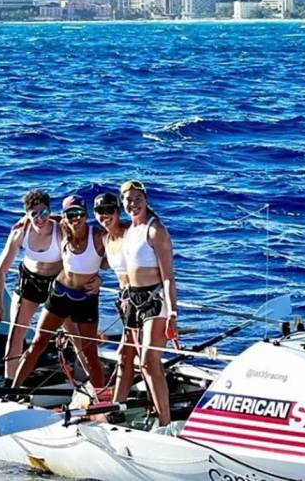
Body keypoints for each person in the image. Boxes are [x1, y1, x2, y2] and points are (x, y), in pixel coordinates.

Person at [12, 194, 106, 393]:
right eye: (71, 214)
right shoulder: (62, 228)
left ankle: (103, 400)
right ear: (65, 216)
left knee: (90, 352)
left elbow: (114, 258)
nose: (76, 218)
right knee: (38, 343)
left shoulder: (97, 235)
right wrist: (26, 219)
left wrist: (100, 279)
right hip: (60, 293)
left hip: (86, 298)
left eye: (80, 213)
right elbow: (46, 218)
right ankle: (12, 391)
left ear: (86, 214)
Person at [0, 189, 79, 385]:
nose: (40, 219)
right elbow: (1, 270)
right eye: (34, 215)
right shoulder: (20, 233)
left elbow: (76, 257)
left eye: (44, 213)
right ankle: (9, 383)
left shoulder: (60, 230)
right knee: (16, 332)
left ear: (50, 212)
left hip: (56, 283)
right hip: (29, 283)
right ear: (27, 215)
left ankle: (86, 380)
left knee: (74, 332)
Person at [119, 179, 178, 426]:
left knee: (148, 360)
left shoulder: (156, 231)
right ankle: (153, 412)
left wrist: (173, 312)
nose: (133, 204)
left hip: (154, 301)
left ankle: (166, 422)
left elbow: (167, 276)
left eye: (137, 199)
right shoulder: (129, 231)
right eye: (128, 200)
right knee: (136, 362)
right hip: (133, 300)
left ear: (146, 200)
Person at [92, 192, 137, 404]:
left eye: (110, 210)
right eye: (100, 211)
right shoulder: (105, 238)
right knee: (126, 355)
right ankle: (117, 404)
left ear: (118, 212)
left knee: (141, 357)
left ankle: (160, 412)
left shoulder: (131, 231)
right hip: (125, 302)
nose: (105, 215)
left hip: (143, 300)